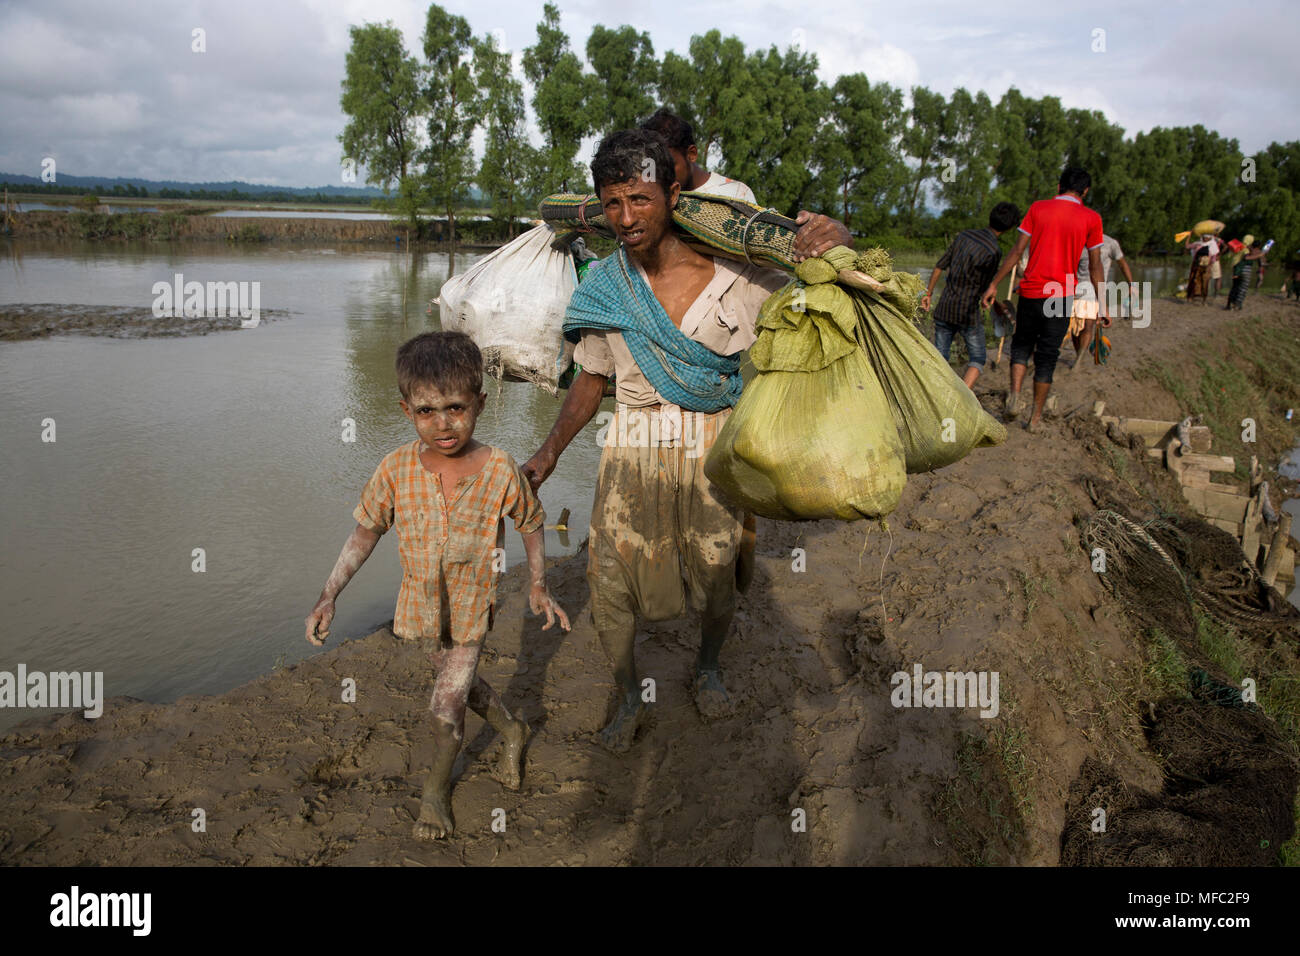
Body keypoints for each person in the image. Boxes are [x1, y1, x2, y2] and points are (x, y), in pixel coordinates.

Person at [522, 129, 850, 752]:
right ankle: (625, 697)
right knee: (610, 580)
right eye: (612, 203)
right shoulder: (604, 286)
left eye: (640, 200)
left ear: (673, 193)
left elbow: (823, 289)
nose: (626, 218)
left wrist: (835, 235)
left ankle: (707, 668)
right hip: (631, 447)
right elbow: (592, 375)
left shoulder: (742, 274)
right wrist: (548, 451)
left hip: (711, 444)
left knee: (715, 572)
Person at [304, 331, 571, 840]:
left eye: (455, 407)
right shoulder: (395, 469)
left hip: (472, 607)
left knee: (444, 703)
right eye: (427, 411)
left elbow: (532, 522)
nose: (443, 424)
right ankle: (512, 728)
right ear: (407, 410)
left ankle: (434, 793)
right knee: (460, 683)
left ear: (480, 404)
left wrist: (538, 584)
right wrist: (328, 594)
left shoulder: (499, 470)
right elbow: (366, 532)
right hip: (423, 609)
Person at [980, 166, 1107, 432]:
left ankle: (1014, 396)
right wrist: (1102, 304)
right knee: (1047, 356)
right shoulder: (1091, 218)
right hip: (1061, 296)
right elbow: (1096, 266)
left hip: (1031, 291)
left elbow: (1016, 251)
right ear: (1085, 191)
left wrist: (994, 284)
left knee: (1021, 347)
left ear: (1059, 186)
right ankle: (1035, 418)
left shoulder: (1038, 209)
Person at [920, 201, 1022, 388]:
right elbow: (986, 287)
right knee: (978, 357)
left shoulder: (964, 236)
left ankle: (933, 392)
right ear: (1010, 228)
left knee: (940, 357)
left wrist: (928, 293)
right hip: (967, 312)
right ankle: (962, 397)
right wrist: (988, 300)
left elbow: (939, 266)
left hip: (945, 306)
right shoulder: (994, 251)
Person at [640, 108, 756, 202]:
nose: (662, 176)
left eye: (668, 167)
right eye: (653, 168)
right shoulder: (656, 203)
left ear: (691, 154)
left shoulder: (736, 194)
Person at [1070, 232, 1135, 369]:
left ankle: (1079, 359)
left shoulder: (1110, 243)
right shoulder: (1077, 240)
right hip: (1075, 289)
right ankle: (1079, 355)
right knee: (1076, 328)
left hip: (1094, 289)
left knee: (1087, 326)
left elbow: (1122, 264)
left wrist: (1131, 284)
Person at [1226, 241, 1266, 311]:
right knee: (1243, 288)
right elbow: (1247, 258)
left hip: (1236, 269)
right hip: (1245, 270)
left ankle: (1229, 305)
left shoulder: (1240, 247)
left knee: (1234, 287)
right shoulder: (1247, 250)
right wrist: (1260, 255)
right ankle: (1237, 305)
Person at [1184, 234, 1217, 305]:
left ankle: (1204, 299)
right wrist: (1189, 236)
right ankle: (1190, 297)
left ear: (1210, 238)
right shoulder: (1197, 244)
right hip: (1196, 265)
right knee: (1193, 280)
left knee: (1205, 282)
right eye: (1204, 237)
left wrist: (1210, 265)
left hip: (1206, 267)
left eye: (1207, 238)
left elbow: (1214, 258)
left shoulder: (1213, 246)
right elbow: (1187, 246)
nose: (1205, 239)